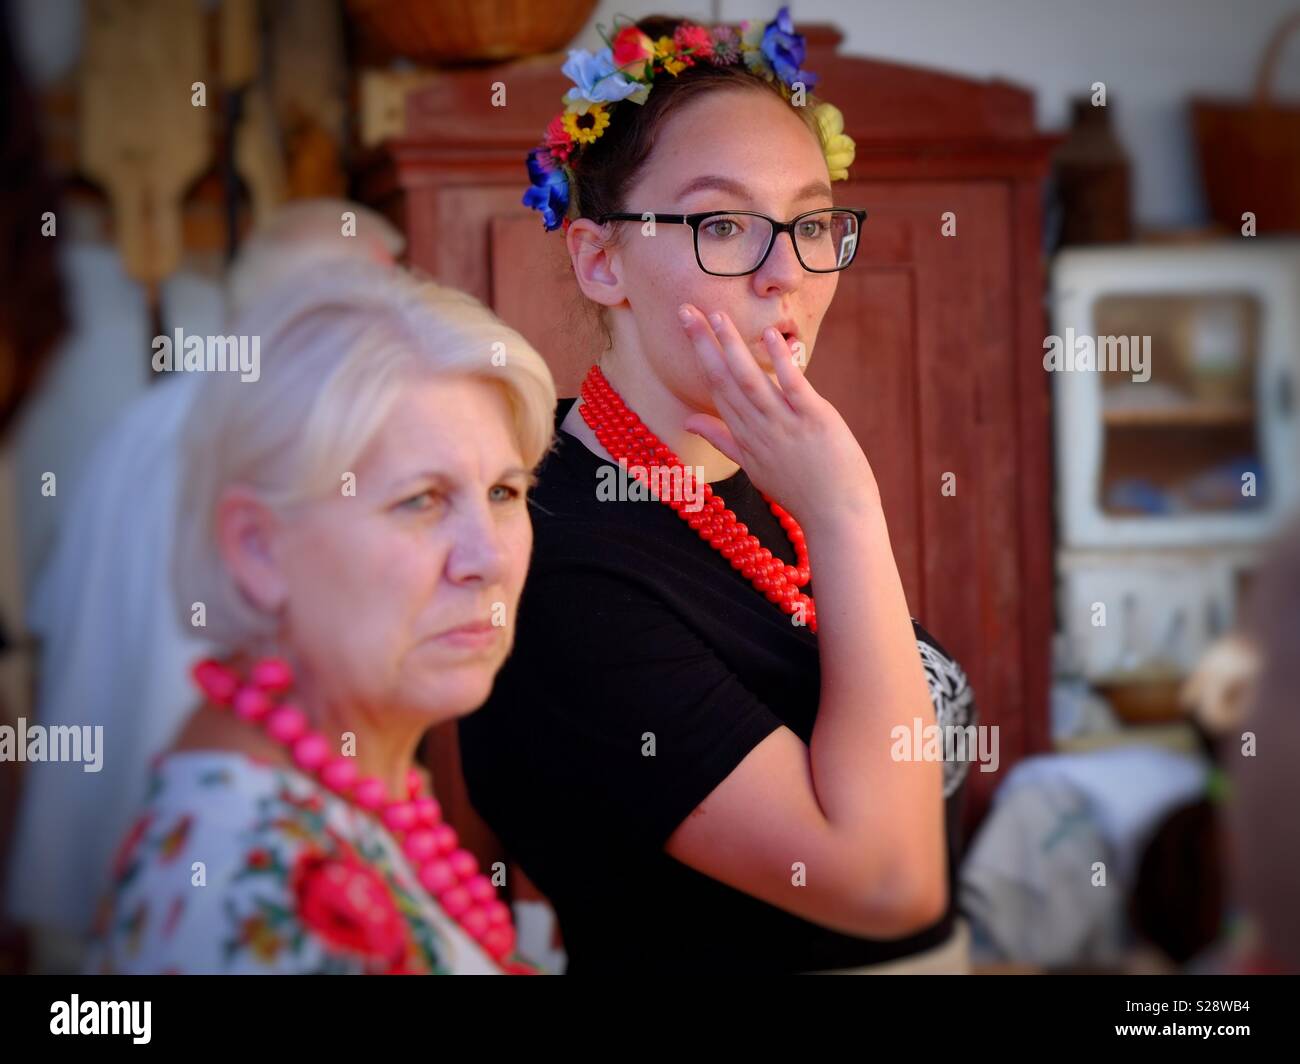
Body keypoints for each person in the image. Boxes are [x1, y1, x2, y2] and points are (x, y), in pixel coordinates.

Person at [459, 9, 977, 973]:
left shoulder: (767, 480)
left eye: (811, 221)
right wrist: (849, 514)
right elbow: (885, 886)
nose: (788, 275)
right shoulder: (559, 565)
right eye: (724, 224)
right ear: (600, 259)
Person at [85, 261, 556, 973]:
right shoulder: (251, 876)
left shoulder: (353, 777)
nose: (486, 559)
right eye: (422, 500)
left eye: (503, 491)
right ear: (259, 548)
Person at [7, 200, 404, 970]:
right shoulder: (292, 447)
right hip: (225, 855)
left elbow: (55, 614)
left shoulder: (137, 425)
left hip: (94, 847)